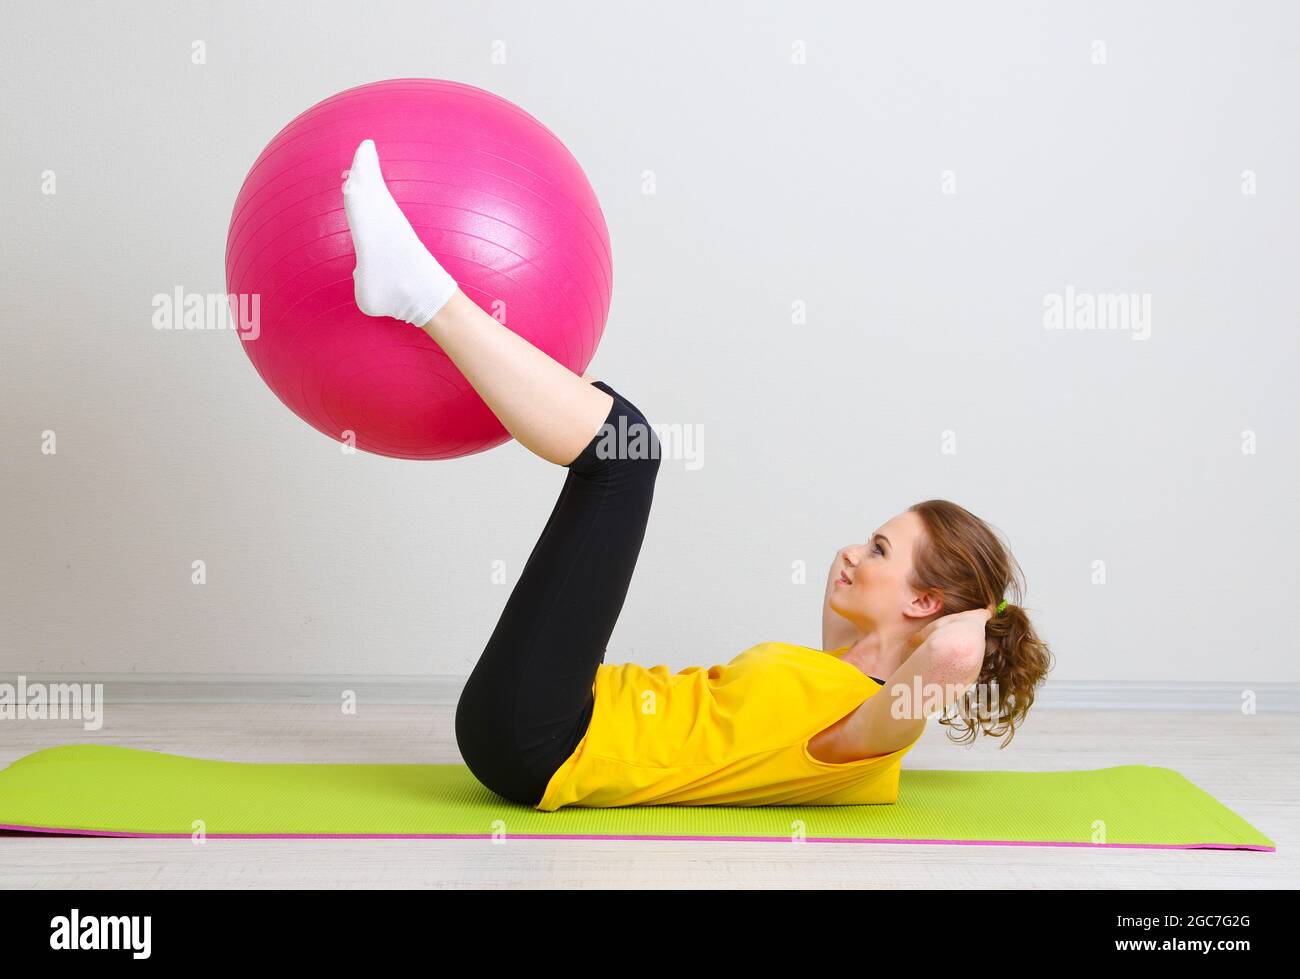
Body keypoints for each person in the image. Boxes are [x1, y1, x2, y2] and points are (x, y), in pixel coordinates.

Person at [341, 139, 1054, 810]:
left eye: (879, 549)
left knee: (628, 453)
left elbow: (957, 656)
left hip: (547, 742)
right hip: (549, 714)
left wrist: (981, 614)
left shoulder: (872, 732)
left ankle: (416, 290)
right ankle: (448, 314)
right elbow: (868, 629)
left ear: (927, 602)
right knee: (608, 416)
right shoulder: (835, 667)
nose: (851, 550)